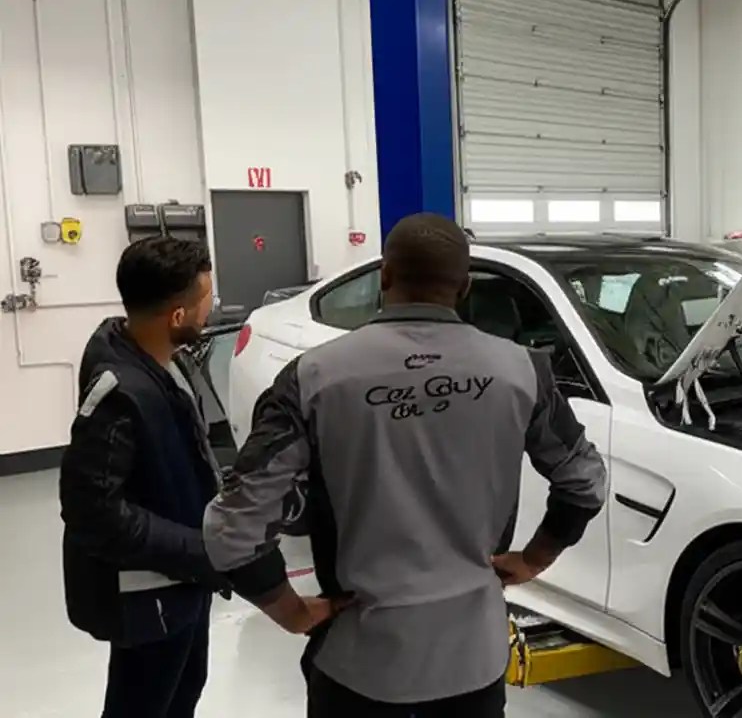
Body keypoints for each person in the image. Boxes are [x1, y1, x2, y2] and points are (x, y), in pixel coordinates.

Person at [203, 213, 608, 717]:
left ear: (384, 277)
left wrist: (290, 611)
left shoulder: (313, 378)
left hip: (361, 663)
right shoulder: (522, 371)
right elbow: (586, 482)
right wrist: (533, 560)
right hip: (472, 662)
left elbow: (231, 525)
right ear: (463, 287)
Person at [59, 236, 229, 718]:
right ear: (177, 316)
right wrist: (197, 550)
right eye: (205, 301)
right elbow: (92, 512)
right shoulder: (120, 393)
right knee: (145, 704)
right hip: (148, 593)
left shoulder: (157, 360)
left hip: (185, 578)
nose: (210, 310)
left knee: (183, 692)